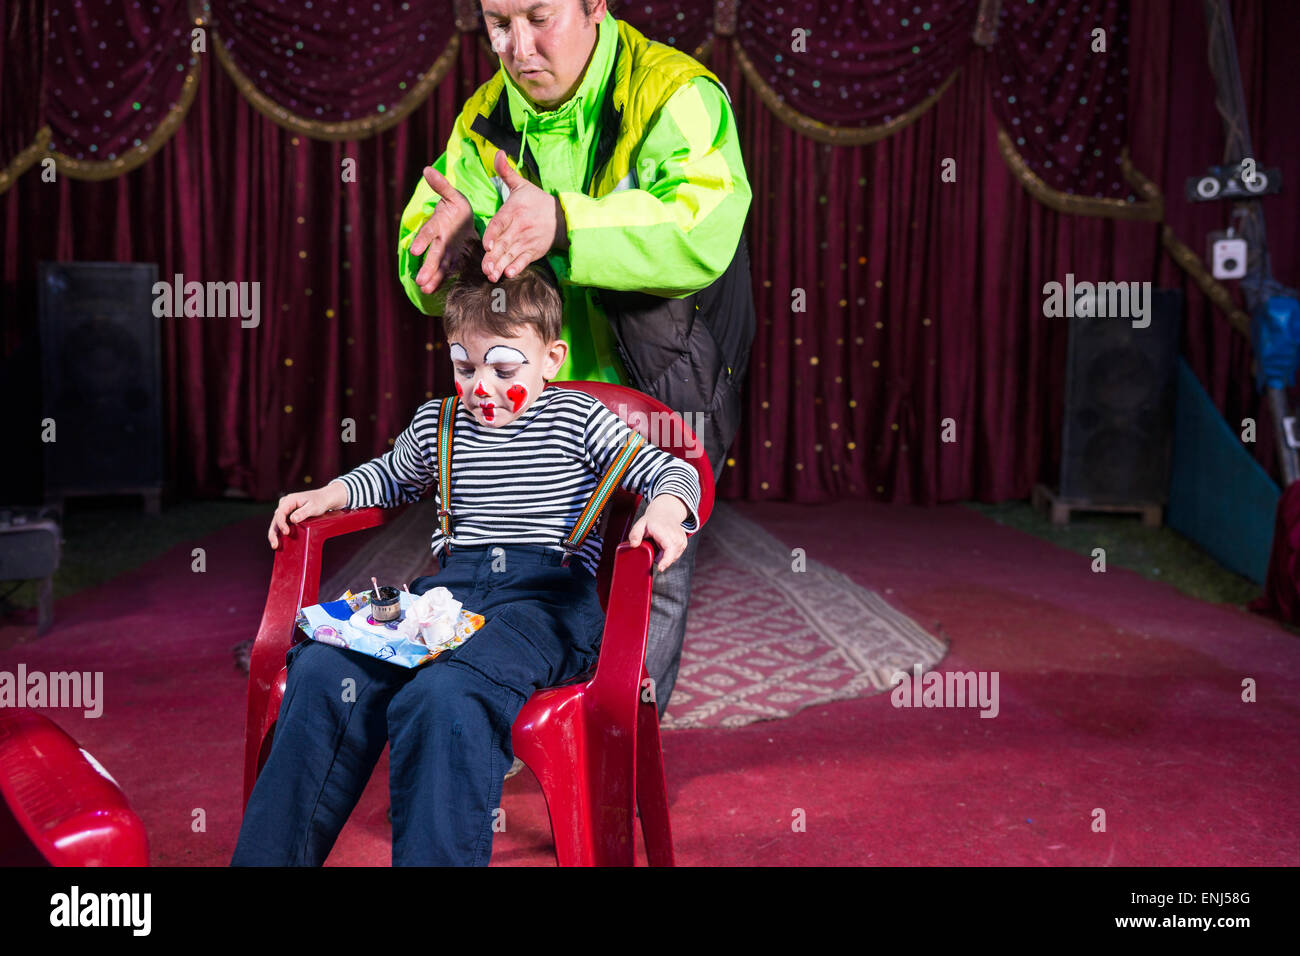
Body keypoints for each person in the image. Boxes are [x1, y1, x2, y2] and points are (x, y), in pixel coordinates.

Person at [230, 248, 702, 866]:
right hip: (446, 600)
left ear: (551, 360)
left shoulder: (582, 418)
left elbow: (667, 469)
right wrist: (329, 493)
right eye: (464, 364)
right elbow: (388, 477)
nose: (483, 387)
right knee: (322, 674)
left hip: (542, 605)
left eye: (505, 368)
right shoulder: (441, 422)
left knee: (444, 696)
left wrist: (666, 508)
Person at [398, 0, 755, 718]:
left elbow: (700, 227)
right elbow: (425, 261)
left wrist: (563, 221)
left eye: (538, 17)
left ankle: (620, 758)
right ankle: (490, 711)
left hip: (663, 383)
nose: (517, 46)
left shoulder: (675, 92)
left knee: (644, 574)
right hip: (541, 404)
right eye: (498, 23)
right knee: (515, 561)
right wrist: (453, 243)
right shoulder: (485, 117)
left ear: (595, 3)